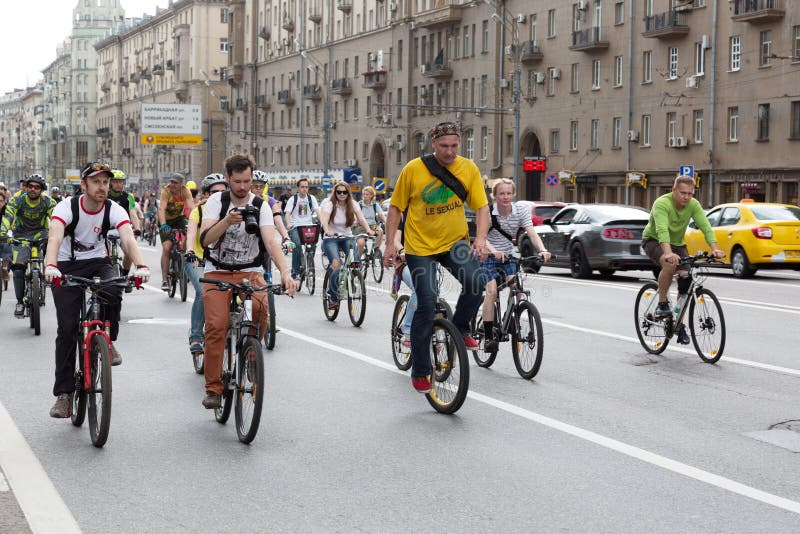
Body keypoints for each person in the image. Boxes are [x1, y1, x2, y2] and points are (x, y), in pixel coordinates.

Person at [384, 121, 490, 393]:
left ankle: (460, 328)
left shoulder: (468, 168)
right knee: (427, 300)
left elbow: (482, 207)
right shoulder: (413, 169)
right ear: (433, 144)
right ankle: (421, 370)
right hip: (420, 248)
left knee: (476, 282)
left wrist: (480, 239)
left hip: (455, 243)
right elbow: (395, 209)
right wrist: (389, 245)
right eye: (444, 146)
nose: (450, 151)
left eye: (455, 146)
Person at [43, 162, 150, 418]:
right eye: (96, 182)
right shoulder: (66, 207)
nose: (102, 187)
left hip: (98, 262)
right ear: (84, 185)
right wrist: (51, 266)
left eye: (105, 182)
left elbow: (127, 238)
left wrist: (141, 265)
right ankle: (64, 395)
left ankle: (108, 341)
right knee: (67, 329)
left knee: (113, 290)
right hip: (66, 264)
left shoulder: (114, 208)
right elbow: (55, 237)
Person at [198, 154, 297, 409]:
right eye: (238, 181)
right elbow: (205, 240)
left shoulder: (260, 205)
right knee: (216, 325)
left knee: (261, 309)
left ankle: (252, 355)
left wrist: (285, 272)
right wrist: (227, 221)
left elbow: (271, 242)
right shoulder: (216, 202)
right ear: (228, 178)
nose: (243, 187)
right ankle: (213, 389)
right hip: (217, 271)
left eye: (247, 181)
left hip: (250, 270)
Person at [641, 174, 725, 344]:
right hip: (654, 240)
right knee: (669, 264)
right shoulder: (662, 204)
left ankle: (678, 324)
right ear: (674, 190)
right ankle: (662, 303)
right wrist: (667, 253)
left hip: (678, 243)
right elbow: (662, 230)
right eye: (683, 193)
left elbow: (706, 227)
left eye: (690, 193)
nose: (686, 197)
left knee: (686, 279)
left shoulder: (693, 205)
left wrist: (715, 249)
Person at [479, 178, 551, 352]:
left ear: (513, 194)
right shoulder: (488, 212)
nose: (505, 197)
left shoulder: (520, 211)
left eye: (509, 193)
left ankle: (512, 318)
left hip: (507, 257)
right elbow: (482, 238)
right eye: (501, 194)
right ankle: (488, 337)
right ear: (495, 195)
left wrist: (542, 250)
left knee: (517, 288)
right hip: (488, 256)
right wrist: (494, 251)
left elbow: (531, 233)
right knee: (492, 291)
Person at [0, 174, 57, 317]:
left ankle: (45, 275)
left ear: (41, 190)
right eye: (30, 186)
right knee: (18, 269)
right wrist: (2, 232)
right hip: (21, 236)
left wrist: (57, 234)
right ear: (27, 187)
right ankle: (20, 302)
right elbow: (8, 217)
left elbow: (56, 219)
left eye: (37, 187)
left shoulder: (48, 202)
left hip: (41, 235)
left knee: (54, 253)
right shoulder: (17, 200)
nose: (33, 189)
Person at [185, 174, 229, 356]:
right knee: (204, 292)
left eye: (222, 191)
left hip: (223, 262)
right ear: (205, 194)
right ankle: (196, 336)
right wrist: (190, 251)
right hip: (198, 260)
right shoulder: (198, 211)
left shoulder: (231, 210)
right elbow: (191, 234)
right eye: (214, 192)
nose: (218, 195)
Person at [318, 183, 375, 309]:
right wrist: (327, 230)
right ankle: (333, 297)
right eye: (339, 192)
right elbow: (324, 220)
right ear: (335, 193)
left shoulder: (353, 204)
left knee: (355, 262)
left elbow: (361, 219)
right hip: (331, 238)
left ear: (348, 193)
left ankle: (351, 280)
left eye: (344, 192)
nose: (342, 194)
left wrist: (368, 230)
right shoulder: (330, 204)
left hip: (347, 237)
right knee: (336, 264)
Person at [157, 173, 194, 291]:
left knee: (186, 241)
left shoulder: (185, 191)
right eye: (171, 182)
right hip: (165, 221)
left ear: (182, 184)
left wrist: (194, 223)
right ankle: (164, 280)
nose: (172, 185)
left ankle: (184, 265)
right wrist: (163, 224)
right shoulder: (166, 191)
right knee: (167, 248)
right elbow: (161, 208)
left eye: (175, 183)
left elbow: (191, 208)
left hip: (179, 219)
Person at [108, 169, 142, 285]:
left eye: (121, 182)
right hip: (106, 230)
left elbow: (133, 214)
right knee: (105, 256)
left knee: (130, 253)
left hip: (122, 230)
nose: (118, 184)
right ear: (110, 183)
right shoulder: (105, 195)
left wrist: (137, 228)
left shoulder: (129, 197)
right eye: (115, 182)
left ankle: (125, 275)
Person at [284, 177, 321, 279]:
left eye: (306, 187)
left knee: (313, 244)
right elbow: (287, 214)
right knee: (296, 246)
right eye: (302, 187)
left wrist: (323, 225)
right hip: (295, 226)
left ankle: (309, 264)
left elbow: (318, 212)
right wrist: (288, 224)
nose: (305, 189)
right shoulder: (293, 199)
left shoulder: (311, 198)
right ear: (298, 188)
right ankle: (295, 272)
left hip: (308, 226)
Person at [356, 185, 386, 258]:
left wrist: (386, 222)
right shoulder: (359, 204)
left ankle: (376, 249)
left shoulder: (375, 205)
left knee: (380, 231)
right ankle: (358, 259)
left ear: (371, 195)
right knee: (361, 243)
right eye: (364, 194)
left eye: (367, 194)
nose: (365, 196)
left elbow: (381, 215)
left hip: (373, 225)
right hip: (361, 226)